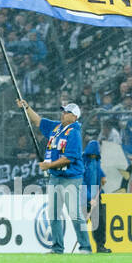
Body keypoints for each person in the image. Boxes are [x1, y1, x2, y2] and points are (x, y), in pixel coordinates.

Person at [18, 100, 93, 254]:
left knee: (74, 213)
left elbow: (68, 158)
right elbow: (38, 121)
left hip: (71, 178)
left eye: (67, 112)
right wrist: (27, 107)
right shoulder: (57, 127)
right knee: (53, 213)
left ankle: (85, 247)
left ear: (75, 117)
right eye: (63, 111)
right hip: (56, 177)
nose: (63, 114)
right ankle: (57, 247)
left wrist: (48, 166)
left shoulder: (74, 133)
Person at [82, 136, 110, 253]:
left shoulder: (97, 161)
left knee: (100, 223)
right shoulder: (82, 162)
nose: (94, 155)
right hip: (85, 199)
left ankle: (100, 246)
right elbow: (81, 183)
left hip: (97, 197)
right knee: (82, 224)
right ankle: (83, 246)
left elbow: (100, 172)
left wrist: (103, 177)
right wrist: (89, 199)